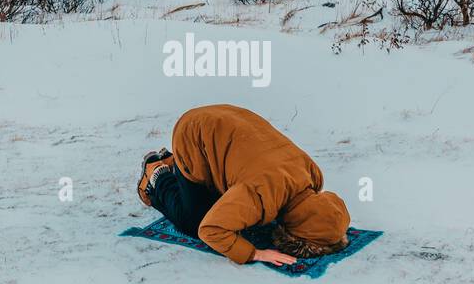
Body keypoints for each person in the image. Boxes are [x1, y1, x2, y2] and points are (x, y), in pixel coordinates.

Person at [136, 104, 350, 267]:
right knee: (194, 221)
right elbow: (211, 230)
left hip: (231, 122)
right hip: (194, 134)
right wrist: (256, 253)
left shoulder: (312, 175)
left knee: (222, 201)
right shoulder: (257, 196)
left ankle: (176, 164)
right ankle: (157, 173)